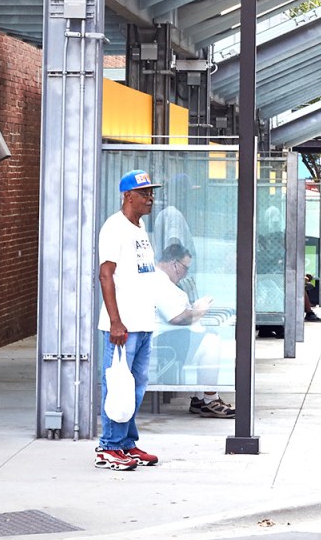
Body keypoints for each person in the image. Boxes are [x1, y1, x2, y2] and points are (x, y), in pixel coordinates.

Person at [95, 169, 163, 471]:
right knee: (118, 385)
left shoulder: (140, 227)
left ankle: (126, 444)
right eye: (144, 193)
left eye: (151, 192)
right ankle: (108, 447)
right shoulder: (115, 227)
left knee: (135, 387)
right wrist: (115, 322)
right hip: (123, 327)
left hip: (143, 322)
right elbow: (105, 274)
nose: (150, 197)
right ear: (128, 196)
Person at [152, 244, 236, 418]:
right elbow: (177, 318)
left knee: (211, 335)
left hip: (168, 336)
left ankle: (200, 397)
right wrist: (199, 310)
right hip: (163, 341)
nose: (185, 273)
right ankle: (210, 400)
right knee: (211, 343)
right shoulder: (159, 282)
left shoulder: (162, 280)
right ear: (174, 264)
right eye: (185, 268)